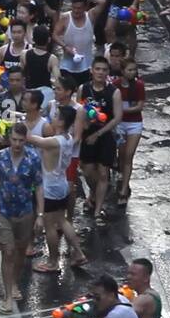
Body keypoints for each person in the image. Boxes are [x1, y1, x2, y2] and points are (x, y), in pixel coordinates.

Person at [0, 122, 42, 314]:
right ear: (9, 139)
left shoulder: (33, 158)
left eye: (21, 140)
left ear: (26, 140)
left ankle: (15, 282)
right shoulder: (0, 158)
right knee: (8, 252)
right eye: (14, 140)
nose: (17, 144)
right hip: (3, 211)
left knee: (19, 251)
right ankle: (8, 296)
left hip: (25, 211)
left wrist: (40, 215)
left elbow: (39, 186)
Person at [25, 104, 86, 272]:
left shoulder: (53, 142)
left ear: (61, 122)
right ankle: (79, 252)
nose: (53, 118)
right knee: (62, 220)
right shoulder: (68, 138)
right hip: (62, 184)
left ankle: (53, 262)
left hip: (50, 187)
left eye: (56, 116)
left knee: (49, 226)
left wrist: (20, 123)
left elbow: (31, 138)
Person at [78, 56, 122, 227]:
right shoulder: (84, 89)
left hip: (105, 136)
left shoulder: (114, 92)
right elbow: (78, 111)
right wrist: (85, 126)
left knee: (103, 173)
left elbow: (117, 117)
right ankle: (94, 194)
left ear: (108, 72)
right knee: (88, 171)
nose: (100, 73)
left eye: (104, 70)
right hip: (87, 135)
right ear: (91, 70)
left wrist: (100, 133)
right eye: (98, 69)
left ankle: (98, 209)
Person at [53, 0, 107, 87]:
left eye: (79, 8)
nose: (76, 11)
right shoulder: (65, 18)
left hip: (87, 65)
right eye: (74, 7)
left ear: (85, 7)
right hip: (67, 66)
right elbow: (55, 35)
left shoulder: (90, 15)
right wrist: (65, 46)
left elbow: (103, 1)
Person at [113, 58, 143, 209]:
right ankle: (120, 172)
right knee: (122, 153)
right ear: (123, 71)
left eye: (134, 70)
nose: (133, 73)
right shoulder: (115, 85)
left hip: (134, 124)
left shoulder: (138, 85)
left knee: (129, 155)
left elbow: (139, 106)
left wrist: (121, 111)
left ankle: (124, 189)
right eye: (130, 70)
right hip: (119, 124)